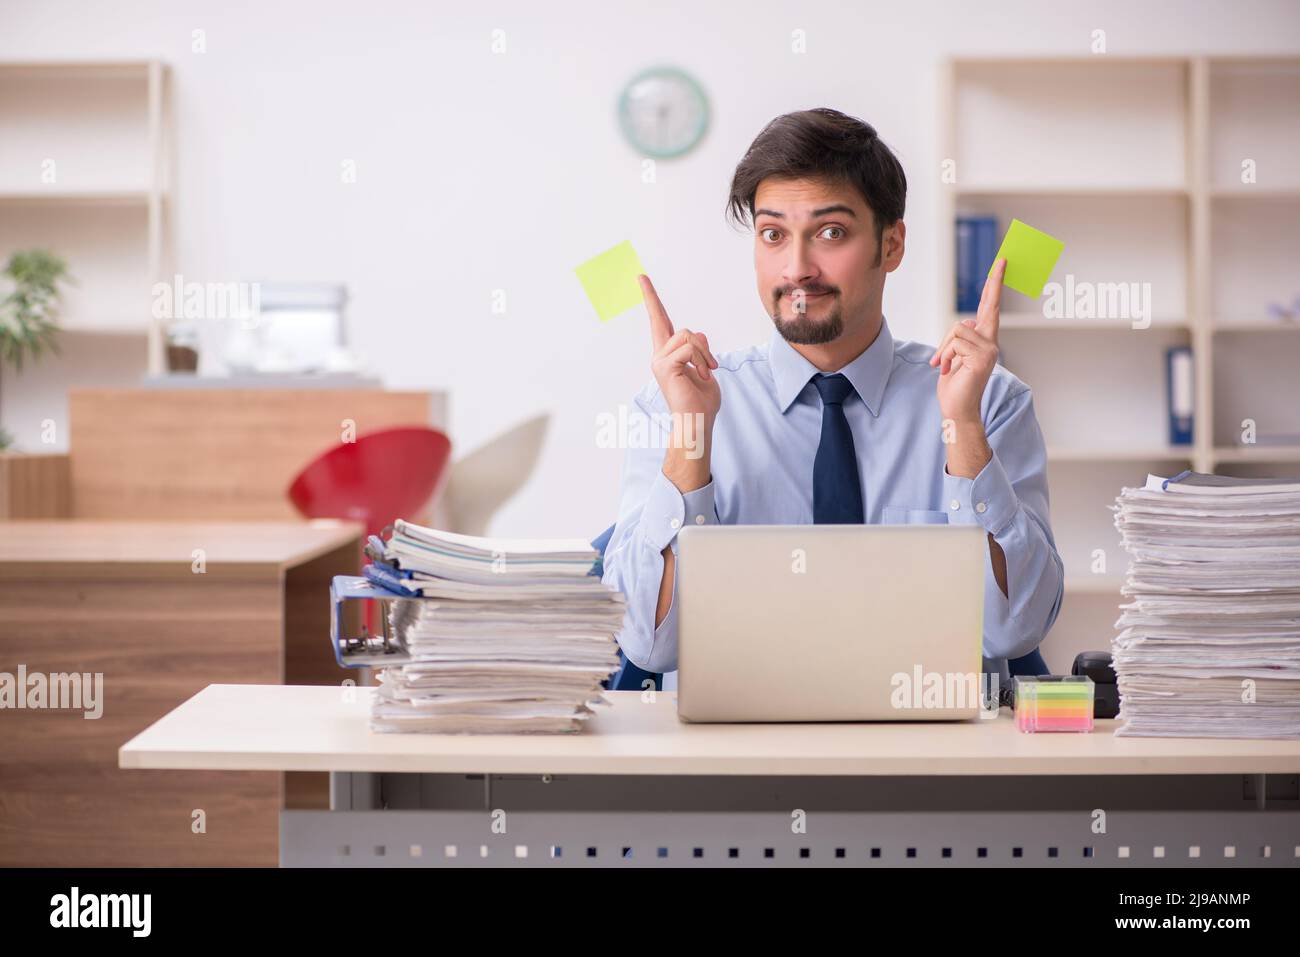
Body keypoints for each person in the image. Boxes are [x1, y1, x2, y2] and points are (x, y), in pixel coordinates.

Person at [602, 107, 1064, 691]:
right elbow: (649, 644)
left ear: (891, 245)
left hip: (931, 760)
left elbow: (1014, 631)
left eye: (831, 233)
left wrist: (962, 428)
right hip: (729, 762)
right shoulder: (675, 405)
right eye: (773, 235)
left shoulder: (991, 401)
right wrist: (690, 435)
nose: (798, 269)